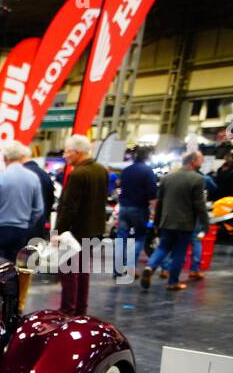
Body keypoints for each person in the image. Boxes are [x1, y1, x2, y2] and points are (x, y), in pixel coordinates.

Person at [55, 134, 108, 314]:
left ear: (77, 152)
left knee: (69, 272)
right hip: (94, 229)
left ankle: (67, 310)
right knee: (83, 272)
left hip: (75, 233)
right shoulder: (101, 170)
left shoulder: (78, 174)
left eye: (67, 152)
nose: (65, 155)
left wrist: (59, 232)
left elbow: (69, 207)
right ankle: (80, 309)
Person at [144, 150, 210, 292]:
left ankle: (150, 267)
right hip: (184, 223)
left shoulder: (167, 178)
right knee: (179, 252)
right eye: (200, 160)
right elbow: (199, 205)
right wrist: (205, 223)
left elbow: (159, 202)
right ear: (193, 162)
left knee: (163, 247)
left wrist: (156, 222)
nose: (202, 162)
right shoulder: (198, 179)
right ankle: (173, 282)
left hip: (166, 220)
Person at [0, 142, 44, 263]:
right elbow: (39, 209)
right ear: (22, 157)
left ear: (5, 158)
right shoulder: (33, 178)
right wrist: (28, 223)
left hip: (0, 230)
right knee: (18, 266)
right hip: (22, 230)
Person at [116, 146, 157, 277]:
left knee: (121, 238)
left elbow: (119, 186)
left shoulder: (126, 170)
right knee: (139, 237)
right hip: (139, 208)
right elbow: (152, 194)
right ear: (147, 157)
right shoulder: (148, 171)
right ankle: (130, 268)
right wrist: (155, 211)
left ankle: (117, 270)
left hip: (123, 208)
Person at [24, 156, 56, 244]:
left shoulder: (21, 174)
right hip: (40, 225)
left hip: (22, 226)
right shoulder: (46, 175)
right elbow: (51, 200)